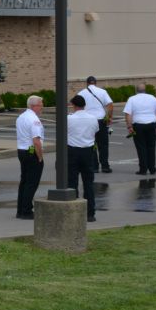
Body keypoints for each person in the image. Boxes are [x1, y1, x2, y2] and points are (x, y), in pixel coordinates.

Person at [66, 94, 98, 222]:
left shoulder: (69, 118)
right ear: (84, 105)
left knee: (72, 182)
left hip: (72, 150)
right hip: (88, 151)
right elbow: (95, 132)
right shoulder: (93, 118)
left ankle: (74, 211)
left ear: (74, 105)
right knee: (88, 183)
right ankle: (90, 213)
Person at [123, 83, 156, 176]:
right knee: (151, 147)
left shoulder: (132, 99)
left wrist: (129, 126)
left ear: (136, 90)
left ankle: (143, 169)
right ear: (145, 90)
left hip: (138, 126)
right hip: (151, 125)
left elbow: (128, 114)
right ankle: (152, 168)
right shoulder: (152, 98)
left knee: (141, 148)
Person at [15, 95, 44, 219]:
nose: (42, 108)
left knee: (24, 181)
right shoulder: (34, 120)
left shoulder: (21, 117)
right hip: (31, 152)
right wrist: (40, 157)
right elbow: (36, 141)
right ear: (33, 106)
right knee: (32, 183)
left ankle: (20, 210)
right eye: (40, 105)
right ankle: (26, 210)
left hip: (22, 151)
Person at [78, 76, 114, 173]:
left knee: (91, 144)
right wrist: (109, 117)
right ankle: (105, 166)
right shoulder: (102, 92)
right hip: (101, 121)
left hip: (88, 121)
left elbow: (78, 108)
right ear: (95, 83)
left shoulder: (81, 93)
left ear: (87, 83)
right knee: (103, 145)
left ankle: (94, 167)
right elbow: (110, 106)